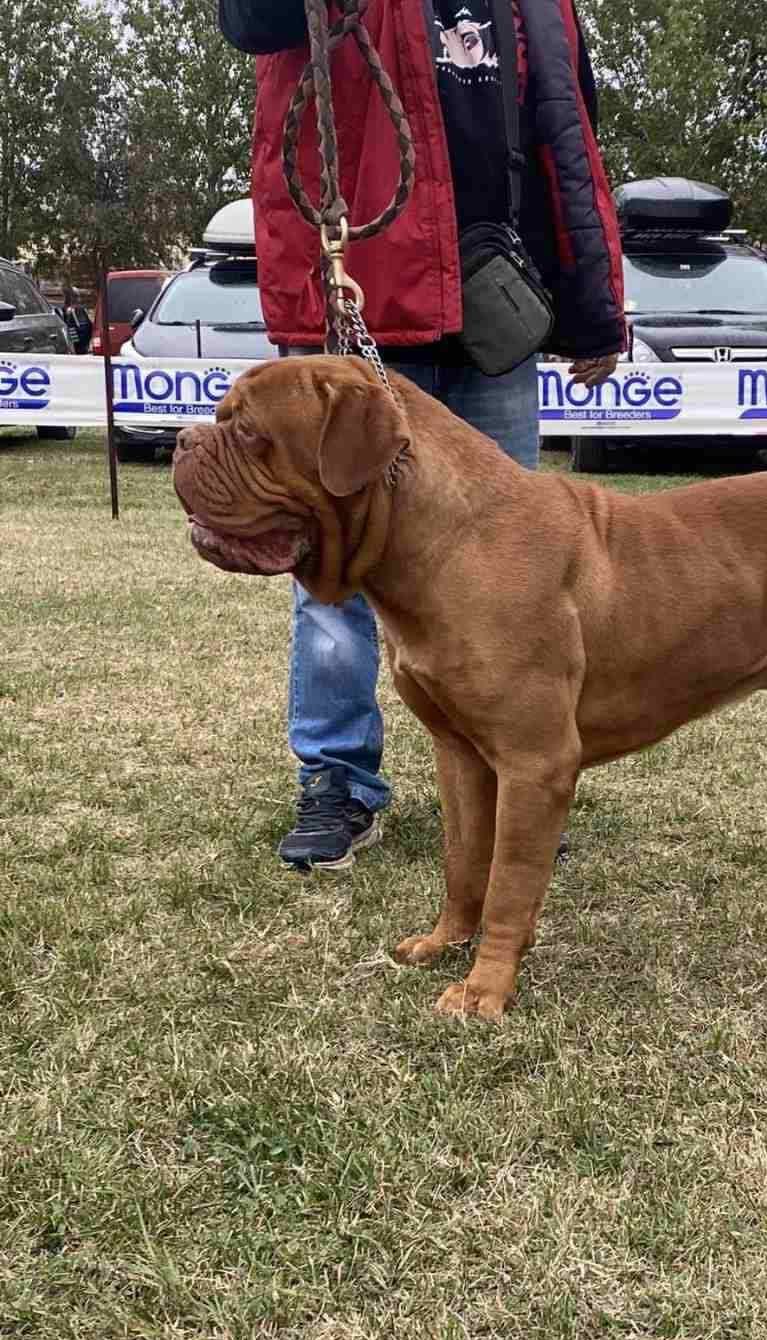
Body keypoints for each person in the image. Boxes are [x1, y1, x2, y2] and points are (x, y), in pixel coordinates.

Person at [219, 0, 625, 870]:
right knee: (329, 566)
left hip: (494, 314)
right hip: (355, 295)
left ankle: (518, 778)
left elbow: (568, 134)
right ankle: (338, 780)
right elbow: (249, 20)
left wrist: (594, 305)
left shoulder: (537, 6)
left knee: (515, 577)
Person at [57, 286, 93, 355]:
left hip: (80, 343)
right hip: (74, 344)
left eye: (77, 296)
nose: (78, 299)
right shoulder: (64, 310)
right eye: (76, 296)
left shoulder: (79, 310)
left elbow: (89, 325)